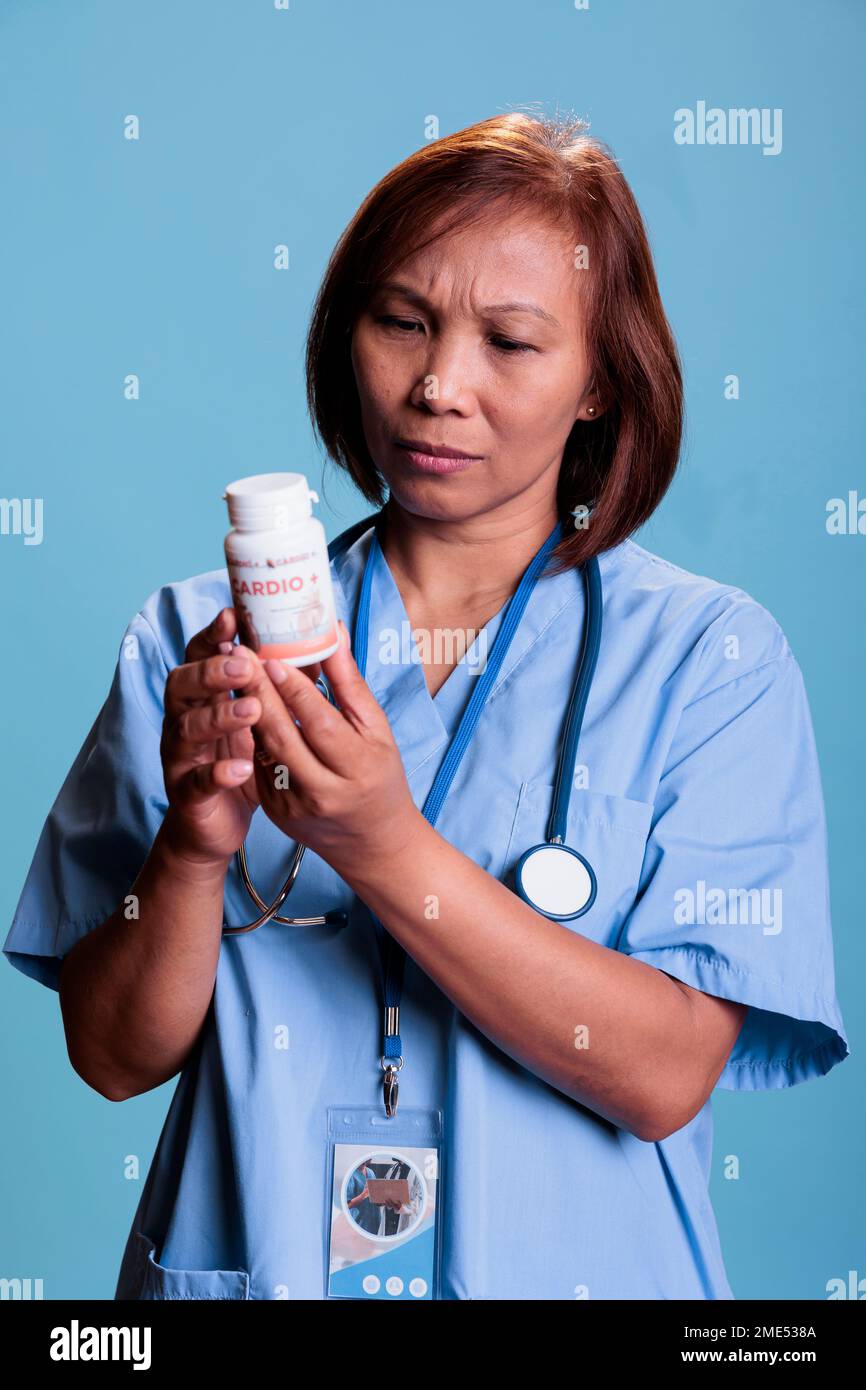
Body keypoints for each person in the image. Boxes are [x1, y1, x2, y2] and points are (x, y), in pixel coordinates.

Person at [4, 111, 849, 1301]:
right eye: (401, 322)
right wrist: (194, 845)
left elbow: (664, 1074)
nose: (439, 386)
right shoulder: (200, 641)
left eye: (509, 341)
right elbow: (109, 1055)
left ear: (601, 379)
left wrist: (383, 846)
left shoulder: (711, 663)